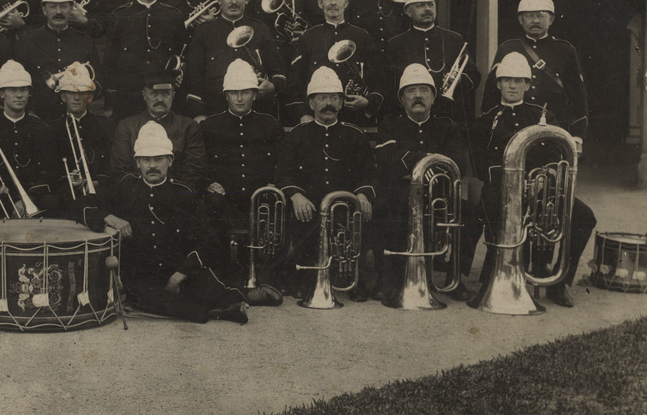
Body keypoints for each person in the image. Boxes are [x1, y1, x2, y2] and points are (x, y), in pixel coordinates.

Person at [78, 121, 252, 324]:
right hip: (141, 277)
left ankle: (225, 301)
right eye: (146, 160)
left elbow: (208, 241)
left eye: (158, 159)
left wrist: (179, 275)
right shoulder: (125, 189)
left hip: (179, 269)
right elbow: (80, 205)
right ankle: (212, 311)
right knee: (143, 295)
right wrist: (110, 218)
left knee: (209, 287)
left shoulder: (185, 193)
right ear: (137, 163)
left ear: (170, 161)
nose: (152, 165)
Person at [467, 52, 595, 308]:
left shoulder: (543, 118)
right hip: (501, 189)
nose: (512, 86)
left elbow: (558, 155)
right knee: (492, 210)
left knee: (584, 216)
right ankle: (493, 275)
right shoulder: (486, 120)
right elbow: (479, 163)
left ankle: (559, 282)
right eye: (507, 80)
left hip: (540, 189)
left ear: (528, 85)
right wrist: (511, 182)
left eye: (519, 80)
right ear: (498, 84)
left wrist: (544, 179)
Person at [276, 67, 376, 300]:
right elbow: (283, 173)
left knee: (366, 211)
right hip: (308, 205)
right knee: (297, 213)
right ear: (311, 103)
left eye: (333, 98)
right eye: (322, 98)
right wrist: (296, 196)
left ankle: (354, 275)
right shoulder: (297, 135)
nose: (328, 104)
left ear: (341, 103)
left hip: (345, 205)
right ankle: (306, 275)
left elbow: (368, 173)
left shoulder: (355, 135)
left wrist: (363, 195)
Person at [374, 64, 467, 302]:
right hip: (400, 194)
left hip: (438, 194)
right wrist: (430, 160)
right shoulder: (390, 125)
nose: (418, 96)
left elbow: (457, 164)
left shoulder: (447, 126)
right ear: (402, 99)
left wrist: (410, 165)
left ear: (433, 97)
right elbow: (387, 162)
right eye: (411, 90)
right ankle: (388, 279)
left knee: (469, 211)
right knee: (384, 206)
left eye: (424, 90)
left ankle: (455, 278)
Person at [200, 60, 284, 297]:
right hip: (225, 197)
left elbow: (282, 161)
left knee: (276, 203)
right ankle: (228, 275)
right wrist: (208, 182)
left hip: (261, 196)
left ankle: (268, 276)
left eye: (245, 92)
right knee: (211, 204)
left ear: (255, 95)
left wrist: (274, 184)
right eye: (234, 93)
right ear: (226, 95)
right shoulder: (209, 126)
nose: (239, 98)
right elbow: (200, 163)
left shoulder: (270, 124)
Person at [481, 0, 589, 146]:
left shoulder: (565, 51)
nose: (536, 20)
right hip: (513, 131)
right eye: (530, 16)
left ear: (551, 19)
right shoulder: (507, 49)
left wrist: (577, 137)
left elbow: (578, 97)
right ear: (521, 20)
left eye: (541, 15)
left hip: (555, 129)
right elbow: (491, 95)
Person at [288, 0, 386, 127]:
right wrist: (303, 114)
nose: (333, 3)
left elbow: (379, 81)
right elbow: (294, 84)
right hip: (317, 120)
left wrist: (368, 101)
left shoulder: (362, 36)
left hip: (355, 119)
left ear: (346, 3)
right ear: (320, 3)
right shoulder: (308, 38)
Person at [184, 0, 286, 118]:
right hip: (215, 112)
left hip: (256, 112)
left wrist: (272, 86)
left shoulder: (260, 29)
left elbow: (278, 71)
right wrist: (199, 114)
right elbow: (194, 78)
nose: (233, 2)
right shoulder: (204, 32)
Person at [102, 0, 188, 121]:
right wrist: (111, 100)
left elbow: (183, 55)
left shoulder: (173, 16)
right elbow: (110, 62)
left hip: (162, 98)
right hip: (128, 99)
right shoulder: (120, 16)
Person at [384, 0, 480, 124]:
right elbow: (389, 86)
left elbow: (474, 75)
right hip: (411, 119)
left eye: (430, 4)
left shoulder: (454, 39)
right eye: (420, 5)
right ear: (408, 11)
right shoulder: (395, 44)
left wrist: (459, 79)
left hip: (449, 117)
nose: (427, 9)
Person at [15, 0, 101, 123]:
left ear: (71, 8)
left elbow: (98, 82)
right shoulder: (28, 41)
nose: (58, 11)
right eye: (52, 6)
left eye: (63, 6)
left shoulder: (85, 41)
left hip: (76, 118)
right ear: (44, 9)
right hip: (40, 119)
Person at [0, 60, 62, 215]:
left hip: (35, 197)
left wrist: (30, 198)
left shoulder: (42, 129)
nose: (19, 95)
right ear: (1, 94)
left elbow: (51, 171)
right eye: (12, 90)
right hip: (1, 197)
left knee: (52, 202)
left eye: (23, 90)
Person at [110, 70, 208, 192]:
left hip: (178, 195)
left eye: (166, 93)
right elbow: (121, 171)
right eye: (154, 93)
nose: (160, 99)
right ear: (144, 95)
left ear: (173, 95)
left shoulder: (189, 127)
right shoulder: (127, 126)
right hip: (137, 195)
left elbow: (195, 171)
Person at [47, 61, 115, 211]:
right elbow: (51, 169)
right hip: (66, 191)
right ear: (63, 97)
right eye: (71, 93)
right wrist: (70, 181)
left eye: (81, 93)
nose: (76, 98)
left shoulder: (103, 125)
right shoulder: (53, 129)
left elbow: (109, 165)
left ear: (89, 96)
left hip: (98, 188)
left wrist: (97, 182)